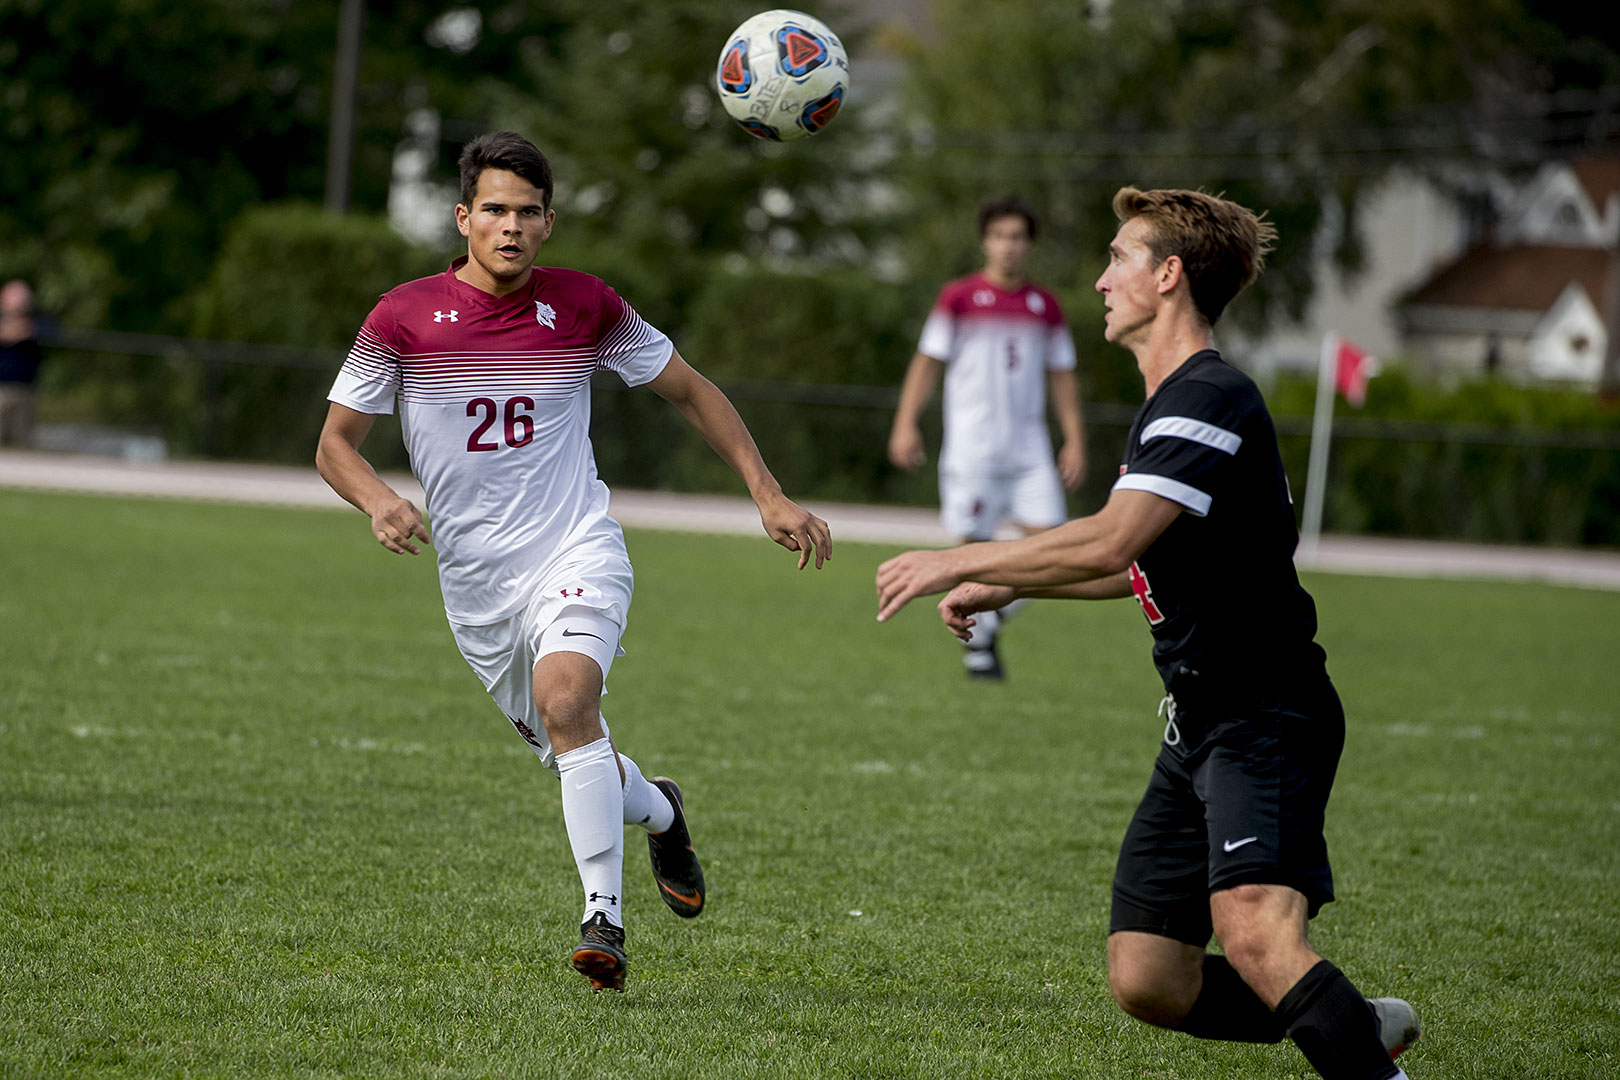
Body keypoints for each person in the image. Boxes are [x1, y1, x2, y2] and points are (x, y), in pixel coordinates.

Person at [875, 187, 1420, 1078]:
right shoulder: (1171, 404)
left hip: (1264, 715)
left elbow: (1114, 536)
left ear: (1168, 277)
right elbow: (1131, 567)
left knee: (1253, 933)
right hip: (1197, 723)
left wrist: (955, 556)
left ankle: (1363, 1056)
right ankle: (1353, 1022)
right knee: (1149, 978)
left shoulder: (1209, 394)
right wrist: (997, 578)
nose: (1099, 280)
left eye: (1119, 259)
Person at [316, 131, 832, 993]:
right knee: (571, 747)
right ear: (463, 218)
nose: (510, 227)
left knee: (568, 700)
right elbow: (335, 444)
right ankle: (662, 811)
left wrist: (768, 493)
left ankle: (604, 919)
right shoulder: (402, 316)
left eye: (526, 212)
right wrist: (380, 499)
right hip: (476, 589)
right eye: (494, 210)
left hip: (575, 545)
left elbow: (692, 391)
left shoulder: (588, 304)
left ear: (549, 223)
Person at [887, 195, 1087, 680]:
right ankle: (977, 650)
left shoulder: (1045, 305)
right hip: (972, 447)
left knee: (1058, 553)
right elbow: (926, 363)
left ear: (1029, 245)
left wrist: (1075, 439)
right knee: (971, 552)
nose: (1008, 246)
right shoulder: (959, 297)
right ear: (985, 241)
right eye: (1000, 236)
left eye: (1017, 237)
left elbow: (1062, 374)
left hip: (1029, 450)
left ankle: (990, 621)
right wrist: (905, 422)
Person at [0, 279, 45, 447]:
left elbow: (40, 330)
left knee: (21, 442)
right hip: (1, 388)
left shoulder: (38, 319)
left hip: (26, 389)